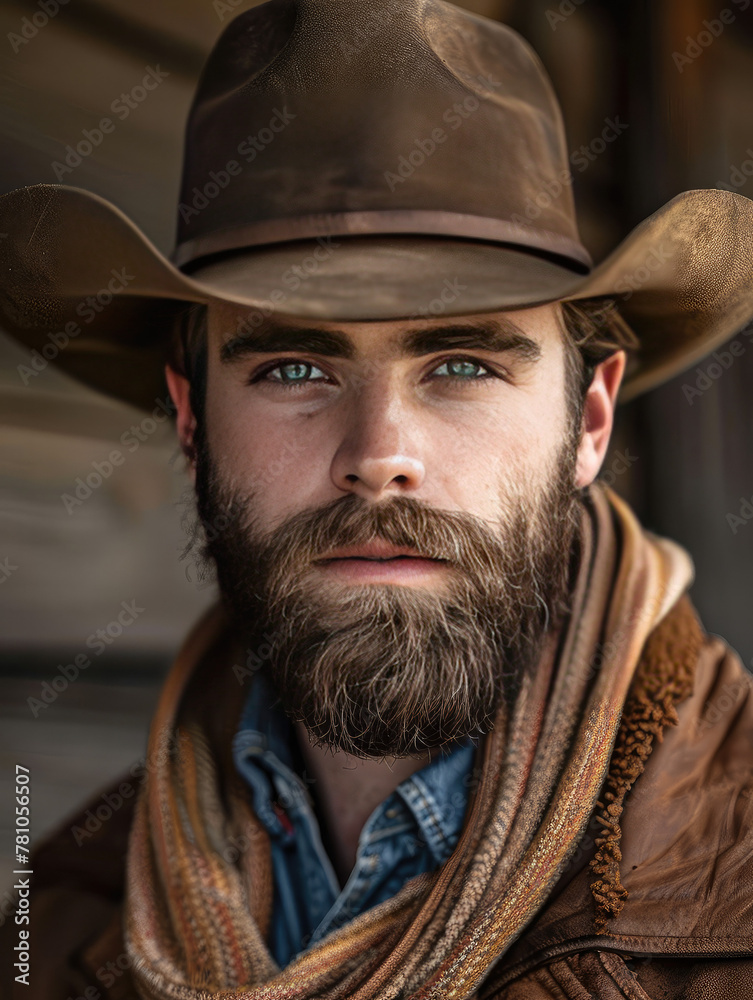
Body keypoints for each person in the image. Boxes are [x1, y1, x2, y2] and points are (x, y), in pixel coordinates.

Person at [1, 1, 752, 997]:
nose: (379, 456)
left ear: (590, 424)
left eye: (462, 364)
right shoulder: (55, 919)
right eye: (296, 368)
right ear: (190, 423)